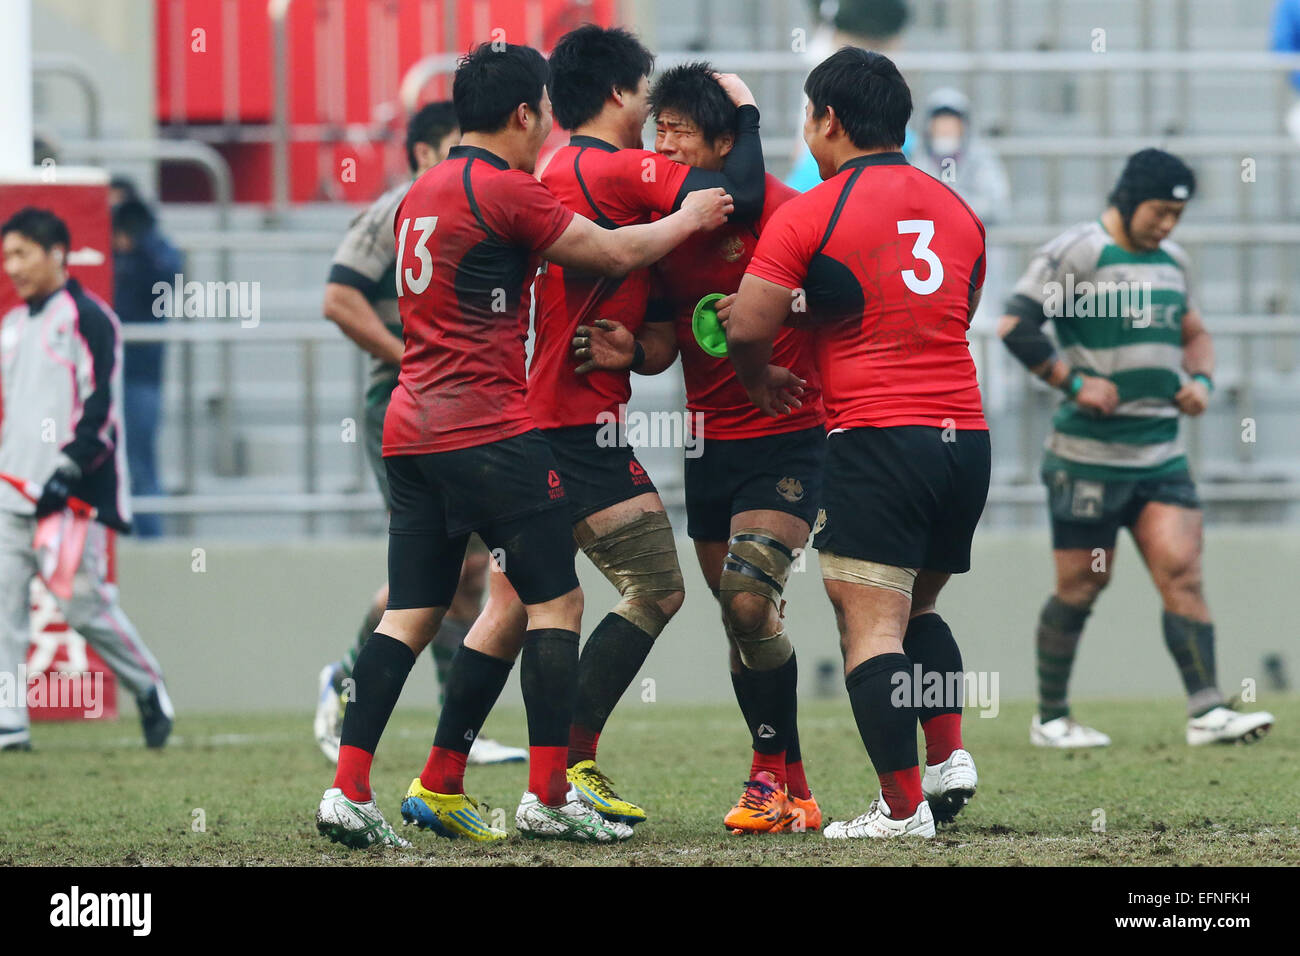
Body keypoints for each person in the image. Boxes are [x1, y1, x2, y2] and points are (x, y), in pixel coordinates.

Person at [313, 41, 733, 849]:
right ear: (523, 114)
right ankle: (547, 793)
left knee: (411, 612)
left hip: (410, 429)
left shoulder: (418, 194)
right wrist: (687, 219)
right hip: (489, 431)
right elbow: (610, 251)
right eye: (543, 112)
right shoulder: (504, 190)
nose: (550, 126)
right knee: (559, 601)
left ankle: (353, 789)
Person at [454, 24, 767, 829]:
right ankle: (567, 772)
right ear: (623, 94)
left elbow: (651, 338)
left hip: (534, 411)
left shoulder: (558, 170)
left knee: (511, 607)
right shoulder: (615, 167)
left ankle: (441, 779)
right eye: (649, 101)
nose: (657, 124)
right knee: (657, 586)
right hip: (571, 424)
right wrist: (744, 109)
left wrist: (636, 344)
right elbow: (741, 191)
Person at [729, 47, 990, 839]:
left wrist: (760, 378)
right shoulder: (956, 207)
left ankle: (902, 810)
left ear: (828, 119)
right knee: (921, 607)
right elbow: (957, 311)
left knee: (867, 622)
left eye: (808, 116)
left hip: (878, 438)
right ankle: (946, 757)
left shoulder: (813, 208)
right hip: (965, 438)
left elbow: (745, 323)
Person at [570, 62, 824, 834]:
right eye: (659, 130)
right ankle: (794, 787)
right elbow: (662, 340)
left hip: (790, 437)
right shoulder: (668, 229)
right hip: (710, 444)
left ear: (723, 140)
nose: (664, 145)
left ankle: (764, 781)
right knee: (744, 619)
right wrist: (629, 355)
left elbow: (843, 303)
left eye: (679, 131)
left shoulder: (789, 212)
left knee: (749, 597)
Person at [997, 148, 1276, 750]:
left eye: (1178, 213)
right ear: (1128, 199)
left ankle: (1207, 709)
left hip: (1160, 455)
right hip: (1086, 458)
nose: (1169, 224)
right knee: (1082, 585)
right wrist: (1071, 382)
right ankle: (1051, 718)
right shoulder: (1079, 251)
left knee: (1184, 572)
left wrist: (1200, 382)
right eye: (1160, 210)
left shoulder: (1175, 262)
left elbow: (1196, 334)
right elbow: (1015, 326)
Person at [312, 101, 526, 767]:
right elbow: (338, 297)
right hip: (405, 399)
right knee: (443, 570)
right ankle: (345, 678)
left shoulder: (473, 204)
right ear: (427, 152)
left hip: (449, 402)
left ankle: (452, 725)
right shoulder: (400, 206)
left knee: (462, 575)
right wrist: (410, 358)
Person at [0, 207, 175, 752]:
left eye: (22, 253)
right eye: (7, 256)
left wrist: (68, 469)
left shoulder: (89, 318)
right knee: (2, 605)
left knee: (83, 605)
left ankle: (147, 685)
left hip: (70, 495)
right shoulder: (9, 327)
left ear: (56, 253)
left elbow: (100, 407)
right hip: (11, 493)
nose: (12, 267)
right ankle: (10, 724)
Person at [109, 181, 184, 539]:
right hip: (95, 370)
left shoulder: (152, 249)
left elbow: (168, 278)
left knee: (141, 463)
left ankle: (151, 543)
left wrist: (140, 241)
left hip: (140, 371)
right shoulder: (92, 246)